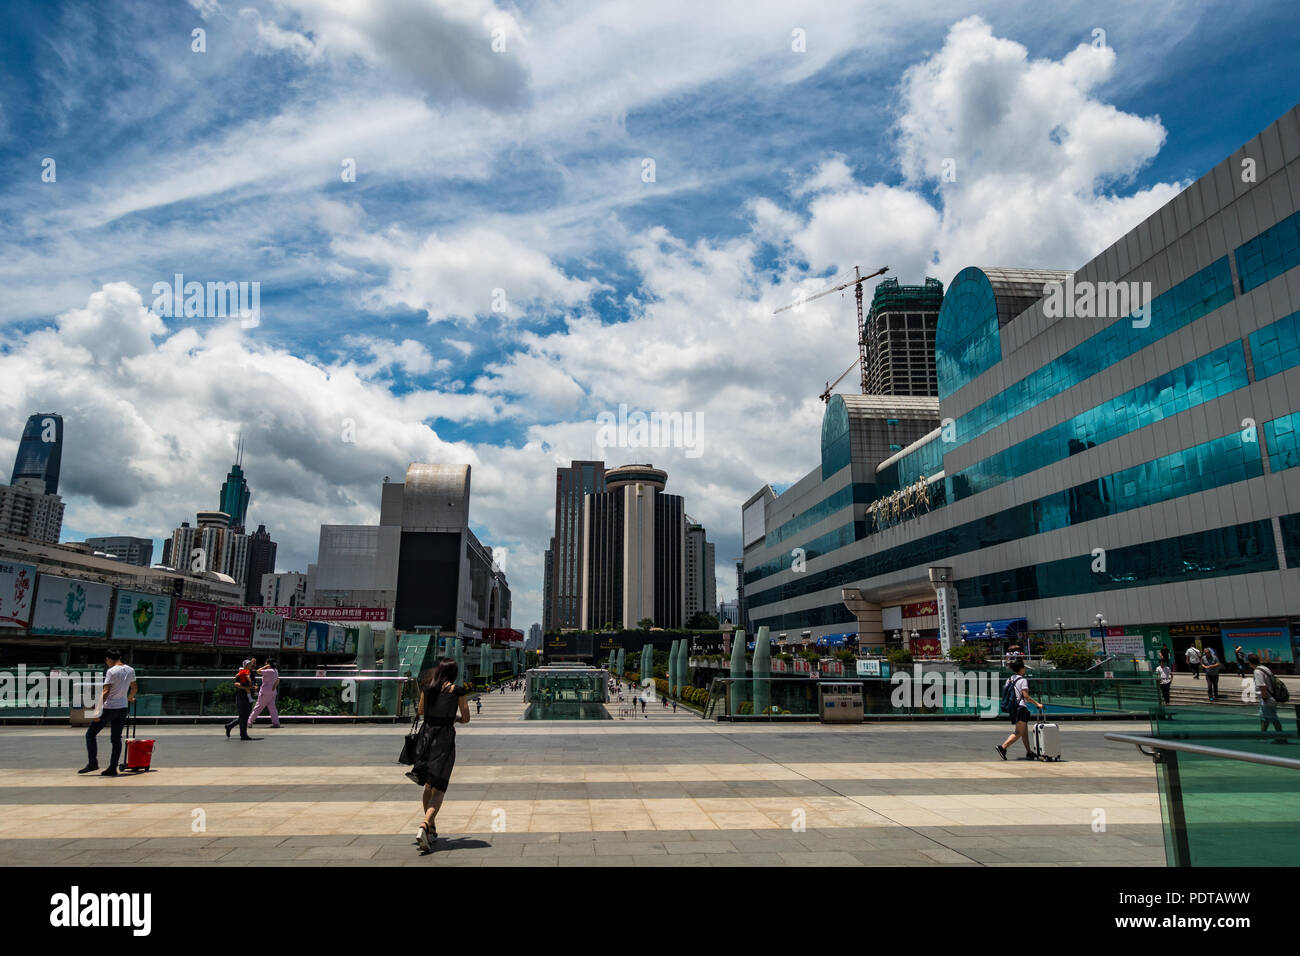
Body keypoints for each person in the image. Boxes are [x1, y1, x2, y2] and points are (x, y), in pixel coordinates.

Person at [408, 659, 471, 852]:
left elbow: (420, 711)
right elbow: (466, 718)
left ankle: (432, 830)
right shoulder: (457, 691)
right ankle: (425, 824)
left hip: (425, 739)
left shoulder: (427, 688)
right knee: (440, 789)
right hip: (444, 741)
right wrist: (453, 718)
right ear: (453, 673)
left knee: (428, 785)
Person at [80, 648, 137, 777]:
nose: (107, 663)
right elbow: (134, 688)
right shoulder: (130, 669)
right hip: (122, 708)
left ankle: (92, 763)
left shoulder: (111, 671)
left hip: (109, 708)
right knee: (116, 739)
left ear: (109, 659)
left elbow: (106, 692)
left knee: (90, 734)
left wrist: (97, 710)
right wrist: (129, 698)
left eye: (106, 661)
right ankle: (112, 767)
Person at [996, 659, 1043, 761]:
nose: (1025, 669)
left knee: (1024, 731)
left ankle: (1029, 752)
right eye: (1024, 668)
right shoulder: (1023, 680)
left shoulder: (1009, 679)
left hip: (1013, 708)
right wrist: (1037, 704)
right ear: (1021, 669)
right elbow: (1026, 696)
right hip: (1021, 708)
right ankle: (1003, 747)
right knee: (1019, 732)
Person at [1249, 654, 1286, 740]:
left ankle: (1281, 737)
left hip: (1267, 698)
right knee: (1265, 717)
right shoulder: (1264, 668)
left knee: (1272, 718)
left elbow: (1262, 686)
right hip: (1271, 696)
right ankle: (1263, 735)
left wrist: (1265, 699)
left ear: (1249, 662)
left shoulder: (1257, 671)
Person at [224, 659, 256, 740]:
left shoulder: (251, 673)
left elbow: (254, 683)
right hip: (241, 696)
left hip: (249, 696)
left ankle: (229, 726)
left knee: (245, 716)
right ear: (244, 665)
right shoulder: (241, 673)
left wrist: (254, 687)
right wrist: (246, 688)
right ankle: (243, 734)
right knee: (243, 716)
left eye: (250, 664)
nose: (250, 665)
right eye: (248, 664)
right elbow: (236, 684)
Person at [248, 659, 281, 729]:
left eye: (266, 663)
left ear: (269, 664)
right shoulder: (276, 671)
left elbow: (258, 671)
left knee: (258, 706)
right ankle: (276, 723)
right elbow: (278, 680)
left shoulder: (269, 671)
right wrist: (274, 687)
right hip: (273, 691)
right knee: (272, 708)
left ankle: (249, 722)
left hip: (265, 691)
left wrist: (265, 666)